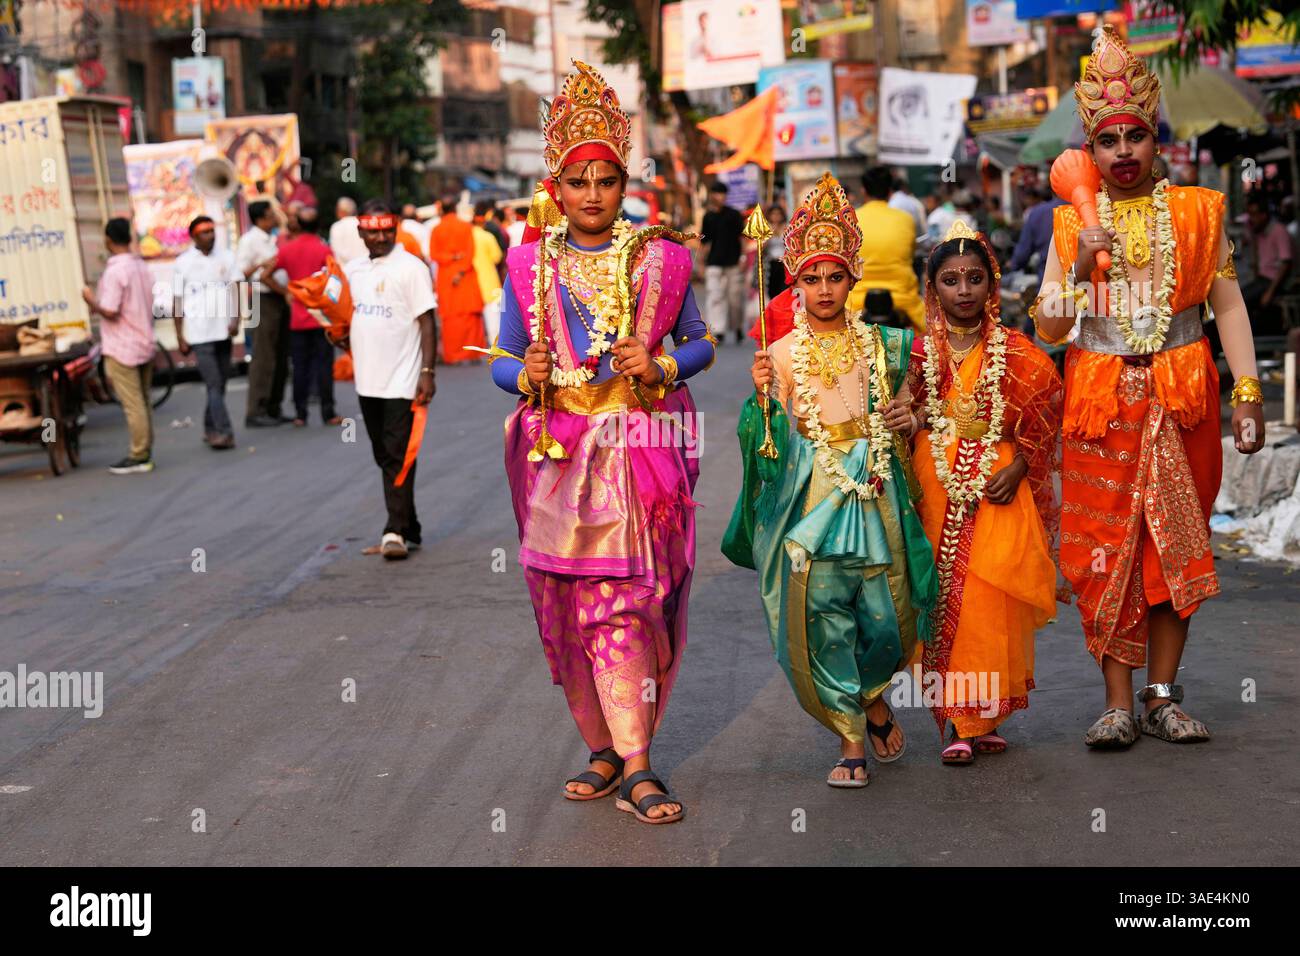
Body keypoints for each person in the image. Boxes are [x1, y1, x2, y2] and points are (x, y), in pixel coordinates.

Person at [490, 61, 715, 824]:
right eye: (578, 180)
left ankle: (641, 762)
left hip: (640, 454)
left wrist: (660, 364)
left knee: (628, 606)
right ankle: (605, 746)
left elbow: (701, 343)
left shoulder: (661, 257)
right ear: (555, 186)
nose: (592, 194)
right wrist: (527, 374)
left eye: (607, 180)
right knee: (564, 605)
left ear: (625, 186)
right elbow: (500, 360)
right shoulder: (527, 263)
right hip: (557, 458)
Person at [1032, 25, 1266, 748]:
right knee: (1106, 554)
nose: (1123, 152)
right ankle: (1116, 703)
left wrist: (1248, 394)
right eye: (1108, 141)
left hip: (1183, 396)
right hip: (1102, 403)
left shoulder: (1199, 211)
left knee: (1173, 550)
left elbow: (1226, 305)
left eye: (1135, 136)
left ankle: (1163, 696)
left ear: (1155, 139)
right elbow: (1049, 328)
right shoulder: (1072, 222)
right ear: (1092, 151)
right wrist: (1077, 267)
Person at [739, 173, 937, 788]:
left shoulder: (887, 343)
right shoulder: (781, 353)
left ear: (854, 277)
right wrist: (764, 407)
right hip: (813, 500)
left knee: (884, 616)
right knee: (824, 617)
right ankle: (851, 735)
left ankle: (875, 697)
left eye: (834, 276)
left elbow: (921, 408)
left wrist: (912, 414)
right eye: (810, 278)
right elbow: (763, 446)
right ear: (794, 283)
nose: (824, 289)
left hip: (877, 493)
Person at [906, 220, 1063, 762]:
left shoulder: (1017, 352)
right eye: (951, 280)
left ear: (991, 287)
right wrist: (911, 415)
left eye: (975, 278)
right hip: (937, 482)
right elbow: (910, 410)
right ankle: (955, 719)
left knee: (988, 597)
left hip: (996, 483)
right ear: (934, 290)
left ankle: (985, 714)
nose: (964, 290)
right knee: (944, 594)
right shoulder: (922, 352)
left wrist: (1020, 466)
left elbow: (1044, 418)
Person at [345, 200, 437, 560]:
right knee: (385, 455)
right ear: (361, 231)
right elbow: (344, 317)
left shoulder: (411, 268)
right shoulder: (352, 270)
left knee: (399, 455)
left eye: (387, 229)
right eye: (373, 230)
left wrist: (427, 372)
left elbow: (427, 321)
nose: (380, 236)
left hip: (404, 379)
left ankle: (394, 531)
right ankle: (410, 525)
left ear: (396, 228)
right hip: (366, 379)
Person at [81, 217, 157, 474]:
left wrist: (91, 301)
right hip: (145, 340)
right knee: (143, 400)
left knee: (133, 403)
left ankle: (138, 455)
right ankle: (144, 450)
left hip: (123, 345)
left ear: (108, 240)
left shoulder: (116, 271)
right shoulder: (141, 267)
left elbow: (111, 311)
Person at [173, 215, 239, 450]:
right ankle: (223, 432)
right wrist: (179, 336)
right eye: (204, 232)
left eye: (212, 231)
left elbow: (236, 288)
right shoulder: (183, 263)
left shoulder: (227, 256)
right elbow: (177, 301)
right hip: (199, 333)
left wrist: (236, 319)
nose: (210, 236)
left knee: (219, 384)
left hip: (223, 330)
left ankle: (210, 426)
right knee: (213, 383)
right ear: (193, 236)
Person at [272, 206, 338, 426]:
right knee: (324, 365)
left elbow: (264, 274)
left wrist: (287, 292)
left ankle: (300, 414)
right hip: (321, 316)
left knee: (300, 366)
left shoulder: (287, 250)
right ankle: (328, 412)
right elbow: (334, 280)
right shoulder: (323, 250)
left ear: (298, 225)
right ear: (319, 225)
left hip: (298, 318)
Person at [848, 165, 925, 331]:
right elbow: (910, 255)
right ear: (890, 191)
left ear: (863, 191)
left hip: (857, 299)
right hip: (904, 299)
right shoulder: (905, 219)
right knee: (933, 344)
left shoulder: (851, 220)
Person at [237, 200, 291, 427]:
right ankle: (256, 409)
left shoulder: (274, 238)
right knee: (263, 354)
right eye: (271, 215)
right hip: (262, 298)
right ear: (261, 218)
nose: (275, 219)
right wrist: (262, 265)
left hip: (280, 297)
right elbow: (240, 272)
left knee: (280, 355)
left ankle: (273, 406)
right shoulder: (249, 241)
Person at [428, 192, 486, 363]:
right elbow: (470, 253)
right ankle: (472, 353)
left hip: (446, 275)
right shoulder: (466, 227)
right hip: (465, 274)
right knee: (470, 316)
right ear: (455, 208)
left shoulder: (437, 229)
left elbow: (433, 254)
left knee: (450, 318)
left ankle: (453, 354)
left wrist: (450, 259)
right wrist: (460, 269)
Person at [1239, 195, 1292, 336]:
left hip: (1273, 281)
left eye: (1254, 215)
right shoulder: (1258, 232)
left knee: (1241, 300)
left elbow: (1286, 263)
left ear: (1264, 215)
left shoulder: (1278, 231)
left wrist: (1270, 292)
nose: (1252, 219)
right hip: (1262, 279)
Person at [701, 180, 746, 343]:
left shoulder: (734, 215)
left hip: (733, 262)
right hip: (713, 263)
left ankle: (738, 326)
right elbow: (705, 242)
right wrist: (700, 263)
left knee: (735, 299)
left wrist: (743, 257)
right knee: (715, 296)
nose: (719, 196)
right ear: (712, 195)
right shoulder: (708, 217)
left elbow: (742, 238)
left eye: (722, 193)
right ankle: (718, 330)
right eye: (717, 193)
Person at [1007, 185, 1065, 285]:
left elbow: (1023, 252)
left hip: (1050, 286)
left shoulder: (1038, 213)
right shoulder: (1096, 209)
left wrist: (1013, 264)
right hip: (1093, 290)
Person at [471, 210, 504, 348]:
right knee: (494, 319)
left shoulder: (467, 236)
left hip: (472, 282)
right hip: (490, 281)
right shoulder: (487, 236)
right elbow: (497, 257)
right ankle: (496, 347)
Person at [329, 197, 367, 266]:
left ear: (340, 211)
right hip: (364, 267)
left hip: (344, 271)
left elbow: (335, 252)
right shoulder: (362, 223)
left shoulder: (336, 227)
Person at [762, 203, 787, 304]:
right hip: (771, 264)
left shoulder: (786, 227)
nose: (776, 216)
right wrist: (770, 233)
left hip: (784, 263)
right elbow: (762, 248)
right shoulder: (766, 229)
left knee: (784, 289)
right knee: (772, 291)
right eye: (773, 214)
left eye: (778, 214)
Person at [889, 175, 927, 241]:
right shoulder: (914, 202)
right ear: (903, 187)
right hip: (916, 241)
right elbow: (922, 227)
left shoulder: (891, 203)